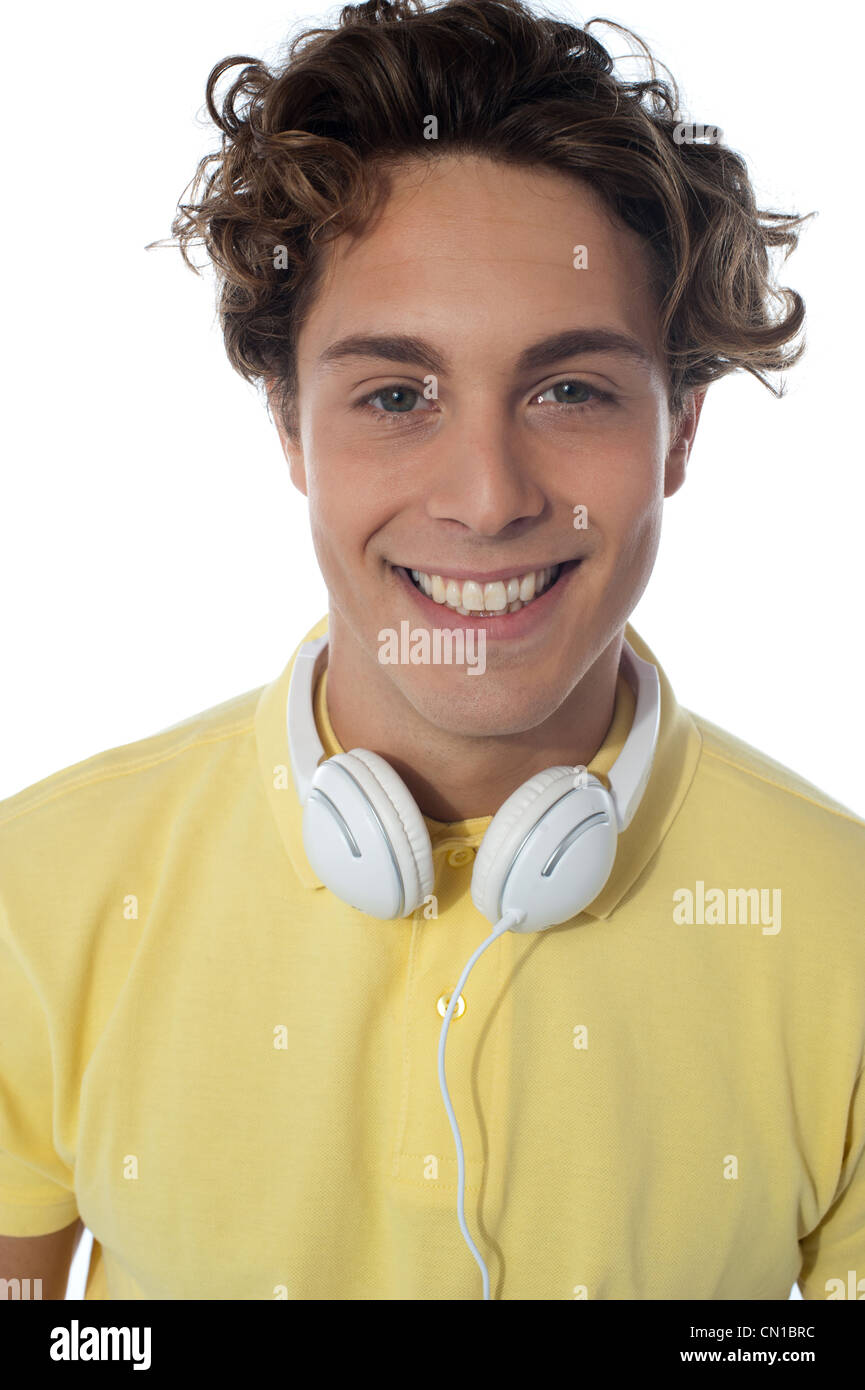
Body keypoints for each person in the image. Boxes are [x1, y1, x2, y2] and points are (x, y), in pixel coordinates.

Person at [1, 0, 863, 1302]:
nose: (483, 497)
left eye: (568, 388)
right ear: (290, 426)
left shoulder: (843, 927)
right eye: (395, 394)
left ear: (677, 432)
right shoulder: (40, 888)